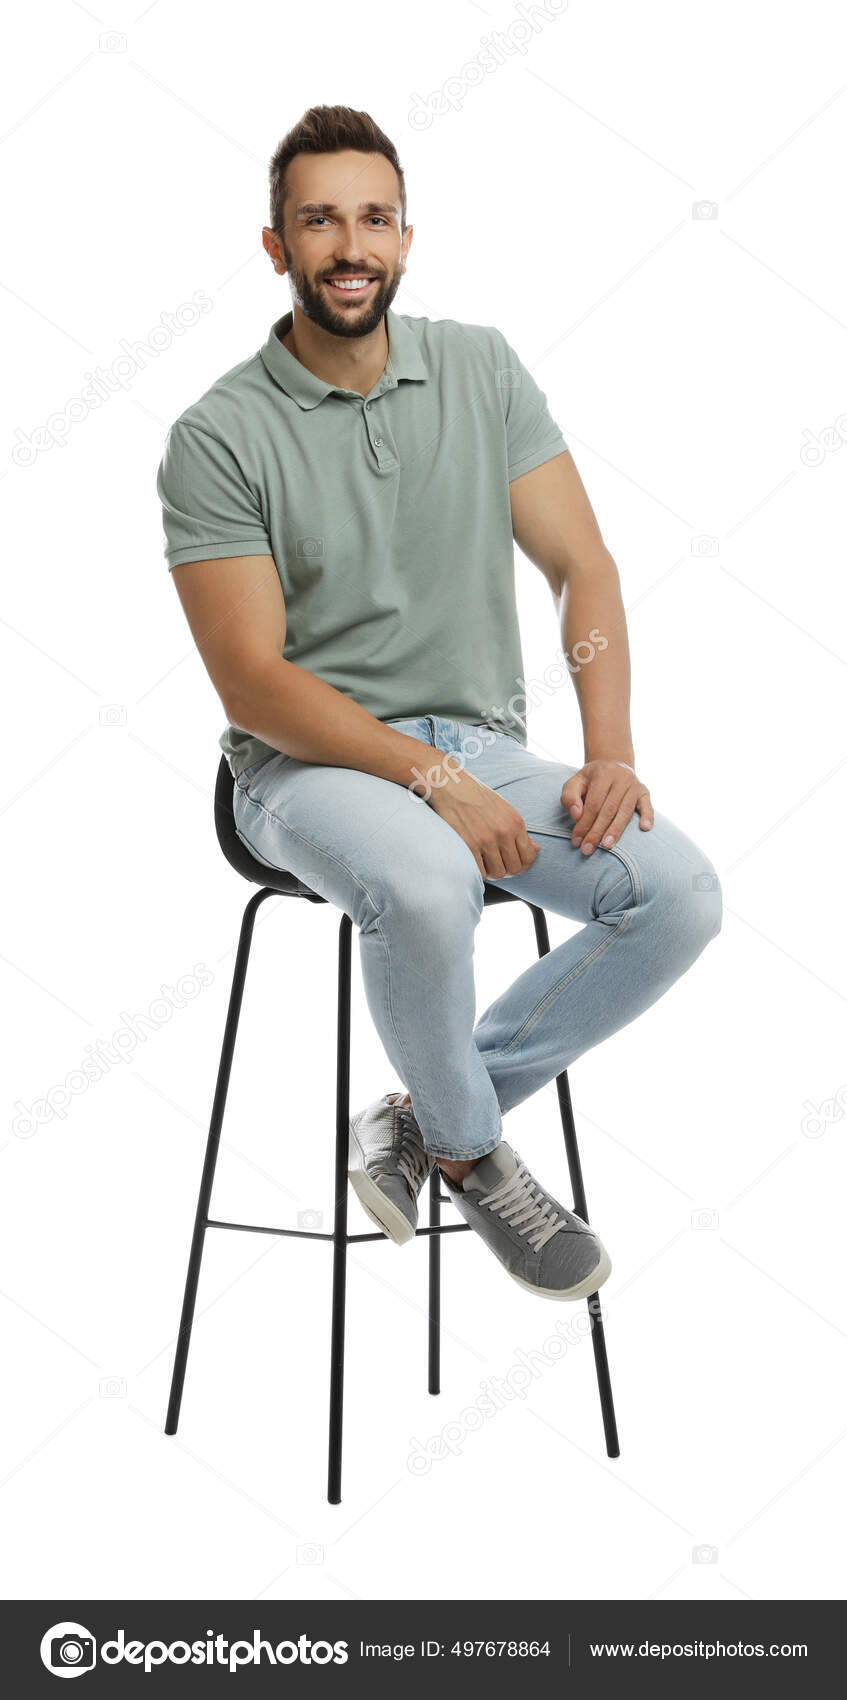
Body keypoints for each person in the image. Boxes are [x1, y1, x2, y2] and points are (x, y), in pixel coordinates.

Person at [156, 104, 722, 1303]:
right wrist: (430, 783)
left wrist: (607, 748)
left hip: (469, 740)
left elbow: (585, 567)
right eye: (319, 220)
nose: (348, 244)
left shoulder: (480, 367)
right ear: (276, 246)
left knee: (674, 893)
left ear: (406, 238)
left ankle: (420, 1115)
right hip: (296, 765)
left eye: (372, 218)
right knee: (424, 879)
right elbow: (254, 680)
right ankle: (473, 1151)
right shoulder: (219, 435)